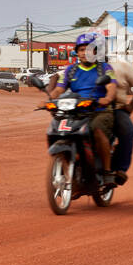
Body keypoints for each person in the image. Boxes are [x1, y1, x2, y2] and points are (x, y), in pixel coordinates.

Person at [47, 33, 119, 186]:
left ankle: (106, 172)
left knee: (96, 130)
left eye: (88, 49)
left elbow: (111, 87)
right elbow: (59, 89)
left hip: (99, 110)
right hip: (75, 111)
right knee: (56, 130)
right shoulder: (70, 70)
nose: (84, 53)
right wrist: (49, 98)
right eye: (81, 50)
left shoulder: (105, 68)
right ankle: (70, 166)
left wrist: (106, 98)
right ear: (76, 52)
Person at [106, 48, 133, 186]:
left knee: (127, 131)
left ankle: (119, 169)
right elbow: (58, 77)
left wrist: (131, 106)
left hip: (116, 109)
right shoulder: (80, 67)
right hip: (85, 109)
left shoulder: (121, 65)